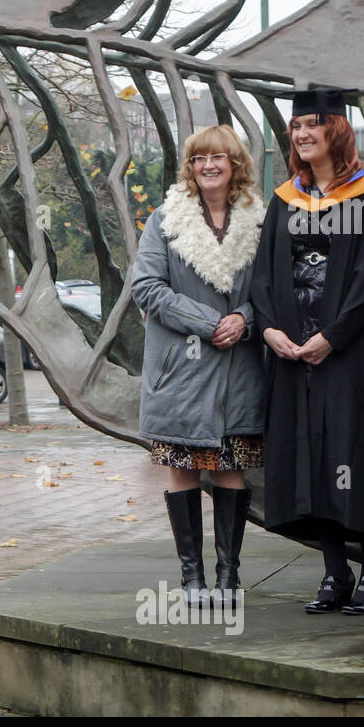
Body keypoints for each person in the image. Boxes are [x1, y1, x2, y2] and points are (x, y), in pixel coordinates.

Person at [251, 89, 364, 616]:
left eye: (312, 125)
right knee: (308, 458)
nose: (301, 134)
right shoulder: (284, 199)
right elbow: (262, 275)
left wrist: (333, 337)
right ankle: (334, 570)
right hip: (292, 354)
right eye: (296, 127)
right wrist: (271, 330)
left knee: (354, 453)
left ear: (337, 131)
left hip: (350, 354)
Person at [130, 124, 266, 607]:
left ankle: (229, 577)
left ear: (235, 164)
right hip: (180, 371)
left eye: (217, 157)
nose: (208, 165)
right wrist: (211, 324)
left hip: (238, 370)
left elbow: (274, 289)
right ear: (190, 167)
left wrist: (244, 319)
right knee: (183, 468)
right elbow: (147, 287)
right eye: (198, 158)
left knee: (231, 467)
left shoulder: (260, 222)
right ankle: (192, 578)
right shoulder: (164, 221)